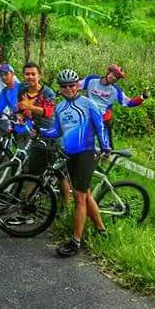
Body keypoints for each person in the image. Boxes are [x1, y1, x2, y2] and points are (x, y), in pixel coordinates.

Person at [40, 68, 110, 258]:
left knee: (79, 198)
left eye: (72, 85)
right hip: (70, 155)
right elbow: (57, 131)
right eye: (64, 86)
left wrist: (105, 146)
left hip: (86, 154)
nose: (69, 89)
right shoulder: (60, 108)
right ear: (60, 88)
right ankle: (102, 231)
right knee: (85, 195)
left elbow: (100, 126)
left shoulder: (88, 103)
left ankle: (75, 242)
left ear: (78, 85)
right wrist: (40, 131)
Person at [82, 65, 148, 147]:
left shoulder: (115, 90)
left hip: (103, 118)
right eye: (113, 75)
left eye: (117, 78)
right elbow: (76, 85)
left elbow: (128, 102)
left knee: (108, 146)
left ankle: (108, 151)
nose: (114, 78)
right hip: (87, 114)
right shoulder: (92, 80)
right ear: (108, 72)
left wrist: (142, 97)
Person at [18, 62, 56, 174]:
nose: (30, 77)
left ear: (39, 75)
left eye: (33, 74)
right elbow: (20, 110)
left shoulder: (48, 92)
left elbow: (48, 112)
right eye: (27, 74)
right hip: (31, 130)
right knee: (24, 160)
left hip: (46, 131)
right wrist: (19, 116)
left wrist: (29, 106)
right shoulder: (22, 91)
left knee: (44, 166)